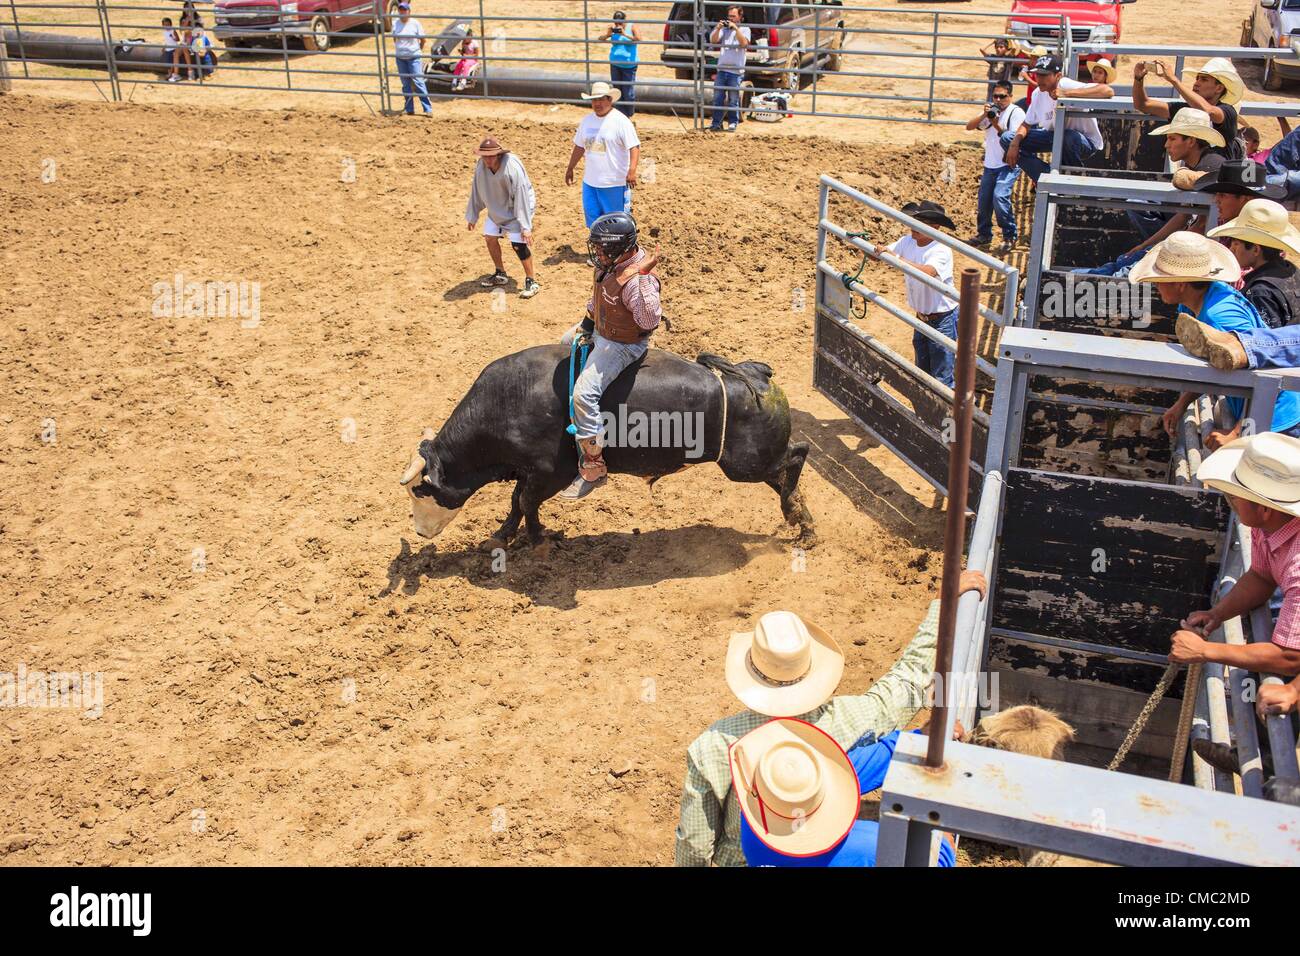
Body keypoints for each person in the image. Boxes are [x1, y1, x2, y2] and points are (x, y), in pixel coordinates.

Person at [673, 572, 987, 867]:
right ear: (811, 670)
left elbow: (695, 844)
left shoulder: (714, 746)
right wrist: (942, 605)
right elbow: (908, 681)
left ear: (751, 673)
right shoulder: (849, 720)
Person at [1128, 231, 1300, 448]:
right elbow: (1211, 360)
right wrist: (1182, 403)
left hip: (1278, 420)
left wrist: (1238, 433)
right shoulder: (1197, 302)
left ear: (1180, 284)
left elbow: (1268, 374)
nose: (1155, 285)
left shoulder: (1220, 317)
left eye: (1159, 280)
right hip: (1258, 412)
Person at [1166, 432, 1300, 680]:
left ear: (1264, 509)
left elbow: (1291, 657)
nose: (1232, 501)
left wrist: (1206, 650)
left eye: (1236, 496)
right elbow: (1261, 576)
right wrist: (1218, 613)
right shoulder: (1269, 527)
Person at [734, 720, 958, 867]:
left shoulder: (761, 806)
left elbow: (860, 766)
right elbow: (935, 859)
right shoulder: (867, 847)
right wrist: (944, 835)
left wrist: (918, 738)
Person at [555, 212, 661, 501]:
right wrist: (587, 326)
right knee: (563, 345)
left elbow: (649, 320)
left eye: (601, 247)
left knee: (584, 394)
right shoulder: (608, 265)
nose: (596, 251)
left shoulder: (639, 277)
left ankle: (594, 464)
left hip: (622, 344)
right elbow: (599, 298)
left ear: (618, 248)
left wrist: (641, 278)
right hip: (601, 330)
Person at [870, 201, 959, 388]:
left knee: (941, 376)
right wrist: (876, 251)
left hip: (942, 318)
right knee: (923, 370)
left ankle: (944, 414)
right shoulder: (907, 241)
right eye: (914, 221)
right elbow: (885, 253)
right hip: (923, 317)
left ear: (935, 227)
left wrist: (895, 258)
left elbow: (928, 272)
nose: (913, 227)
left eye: (921, 222)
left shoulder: (941, 249)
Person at [1001, 54, 1112, 184]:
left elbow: (1107, 90)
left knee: (1068, 136)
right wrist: (1014, 144)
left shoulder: (1065, 84)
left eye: (1044, 75)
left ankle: (1071, 179)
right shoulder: (1037, 93)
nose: (1039, 79)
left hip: (1083, 142)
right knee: (1007, 138)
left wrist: (1067, 94)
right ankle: (1046, 176)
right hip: (1055, 137)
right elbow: (1026, 123)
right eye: (1037, 74)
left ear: (1058, 76)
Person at [465, 137, 540, 299]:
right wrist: (473, 214)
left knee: (518, 244)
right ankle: (500, 273)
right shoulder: (481, 166)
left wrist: (525, 226)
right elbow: (477, 189)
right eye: (485, 156)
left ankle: (531, 281)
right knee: (490, 237)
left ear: (499, 155)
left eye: (491, 156)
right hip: (497, 205)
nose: (488, 159)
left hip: (519, 206)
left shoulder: (511, 168)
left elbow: (521, 196)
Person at [1207, 199, 1300, 330]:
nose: (1231, 249)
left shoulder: (1259, 292)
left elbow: (1266, 340)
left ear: (1255, 250)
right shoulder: (1291, 270)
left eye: (1236, 244)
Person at [566, 81, 641, 238]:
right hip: (590, 181)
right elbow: (579, 146)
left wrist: (632, 170)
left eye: (601, 99)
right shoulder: (586, 121)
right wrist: (570, 167)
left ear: (609, 100)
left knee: (617, 222)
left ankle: (619, 253)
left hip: (614, 182)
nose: (597, 103)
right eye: (594, 100)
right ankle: (602, 253)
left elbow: (634, 146)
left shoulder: (621, 121)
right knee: (594, 220)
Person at [1133, 57, 1244, 161]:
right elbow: (1143, 104)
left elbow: (1209, 111)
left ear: (1219, 88)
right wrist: (1138, 78)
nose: (1196, 83)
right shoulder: (1186, 111)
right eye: (1197, 79)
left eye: (1204, 80)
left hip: (1218, 177)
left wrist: (1174, 80)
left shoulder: (1227, 111)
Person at [965, 80, 1024, 252]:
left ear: (1010, 96)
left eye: (1002, 96)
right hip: (990, 164)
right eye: (995, 96)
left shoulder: (1016, 113)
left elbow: (1011, 138)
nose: (998, 99)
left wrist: (995, 121)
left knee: (999, 197)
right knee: (984, 201)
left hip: (1008, 164)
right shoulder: (991, 110)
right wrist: (985, 115)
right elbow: (969, 126)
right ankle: (984, 234)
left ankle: (1009, 235)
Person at [1192, 160, 1286, 233]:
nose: (1216, 200)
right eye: (1217, 194)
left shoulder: (1259, 234)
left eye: (1222, 195)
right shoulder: (1225, 221)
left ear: (1245, 199)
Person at [708, 5, 750, 133]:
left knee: (733, 99)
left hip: (736, 72)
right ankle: (716, 123)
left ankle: (733, 123)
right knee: (717, 99)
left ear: (740, 17)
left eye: (733, 16)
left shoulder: (745, 29)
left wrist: (736, 29)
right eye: (729, 16)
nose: (730, 19)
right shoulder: (724, 30)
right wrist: (717, 28)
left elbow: (744, 44)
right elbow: (713, 40)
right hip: (722, 70)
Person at [392, 2, 431, 116]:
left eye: (405, 10)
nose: (402, 12)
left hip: (414, 57)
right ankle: (410, 109)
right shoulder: (396, 23)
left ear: (409, 11)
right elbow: (395, 39)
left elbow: (423, 39)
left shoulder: (415, 23)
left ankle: (427, 108)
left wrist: (418, 50)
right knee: (405, 84)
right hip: (400, 57)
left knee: (418, 81)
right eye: (401, 10)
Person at [600, 10, 641, 118]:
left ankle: (629, 115)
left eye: (620, 23)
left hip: (629, 65)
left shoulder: (632, 27)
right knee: (617, 91)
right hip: (615, 64)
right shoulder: (613, 28)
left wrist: (625, 34)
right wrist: (608, 34)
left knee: (628, 93)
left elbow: (638, 39)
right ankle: (619, 115)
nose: (618, 25)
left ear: (625, 20)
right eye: (616, 22)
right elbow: (600, 39)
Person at [979, 35, 1019, 101]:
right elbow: (982, 49)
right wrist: (993, 42)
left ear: (1006, 49)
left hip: (1004, 90)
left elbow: (1014, 48)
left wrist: (1010, 39)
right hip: (992, 90)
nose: (998, 49)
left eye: (1001, 47)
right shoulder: (993, 58)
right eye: (997, 47)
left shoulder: (1008, 58)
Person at [161, 17, 189, 83]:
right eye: (165, 25)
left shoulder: (173, 31)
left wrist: (173, 37)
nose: (167, 26)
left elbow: (178, 39)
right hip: (168, 48)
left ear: (171, 24)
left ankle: (171, 74)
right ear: (162, 25)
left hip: (173, 48)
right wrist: (164, 47)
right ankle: (170, 73)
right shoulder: (164, 32)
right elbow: (166, 40)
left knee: (171, 62)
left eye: (168, 25)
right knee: (168, 61)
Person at [451, 28, 479, 92]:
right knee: (459, 65)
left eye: (468, 37)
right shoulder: (463, 42)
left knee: (466, 65)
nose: (466, 39)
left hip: (472, 59)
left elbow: (476, 54)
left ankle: (463, 82)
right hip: (465, 58)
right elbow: (463, 52)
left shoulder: (475, 43)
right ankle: (454, 81)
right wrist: (461, 52)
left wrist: (468, 56)